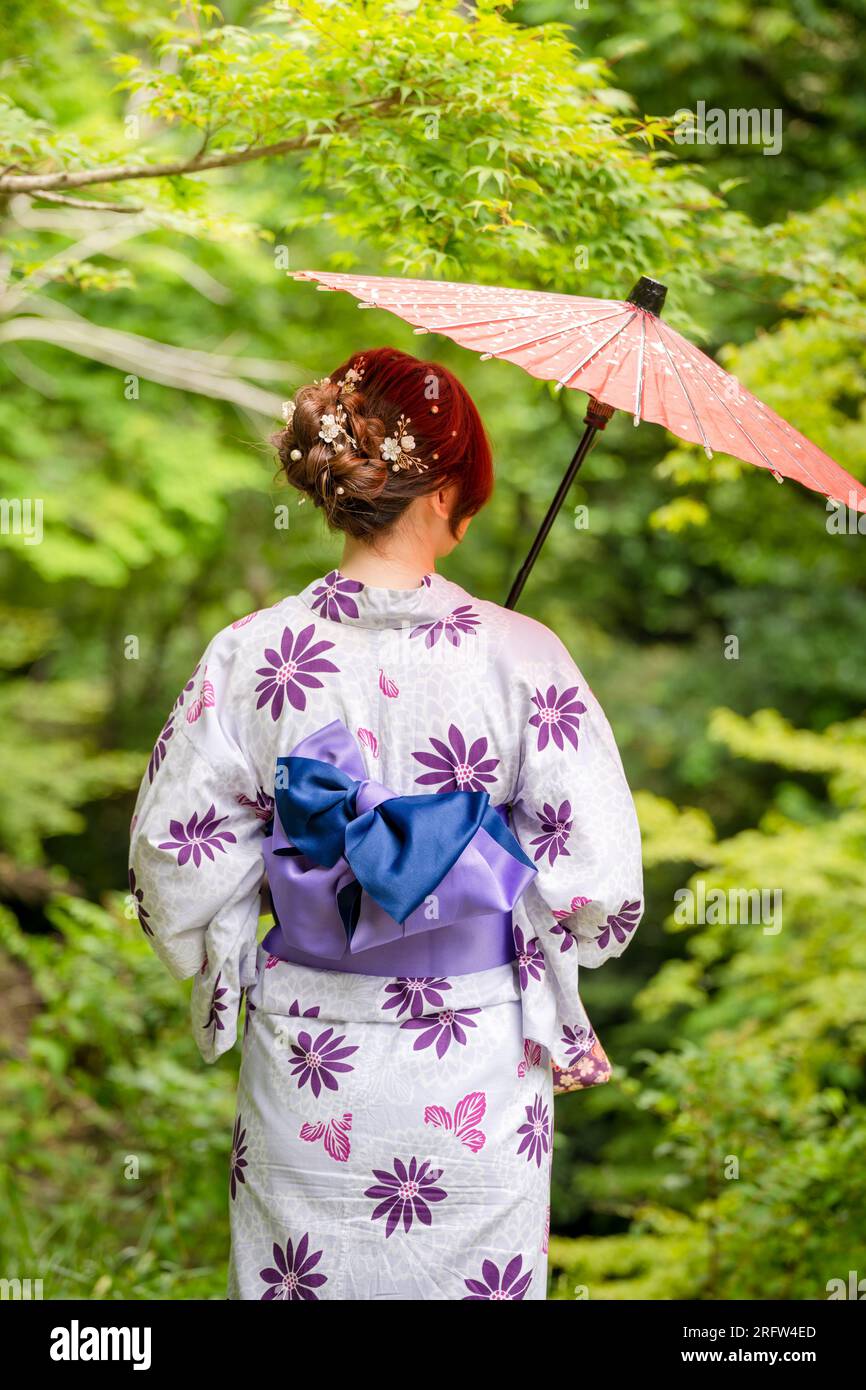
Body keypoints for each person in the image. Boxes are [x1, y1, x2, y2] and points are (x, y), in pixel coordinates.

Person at [128, 346, 643, 1301]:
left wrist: (252, 946)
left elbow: (174, 860)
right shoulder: (523, 655)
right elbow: (600, 885)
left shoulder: (250, 653)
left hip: (309, 1050)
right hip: (475, 1062)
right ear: (447, 489)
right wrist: (476, 872)